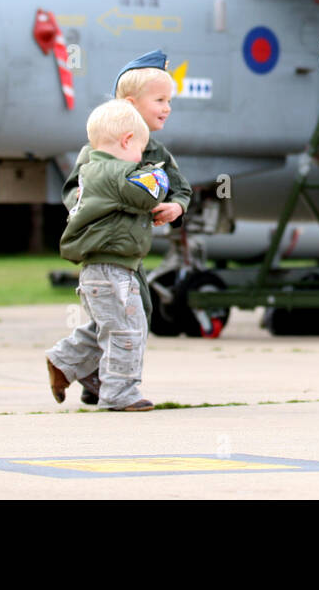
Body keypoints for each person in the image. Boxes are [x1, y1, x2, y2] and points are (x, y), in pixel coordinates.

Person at [61, 49, 192, 405]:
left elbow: (180, 187)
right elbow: (74, 190)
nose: (167, 108)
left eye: (169, 100)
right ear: (132, 104)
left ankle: (87, 373)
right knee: (123, 321)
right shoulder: (96, 150)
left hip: (131, 251)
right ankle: (102, 381)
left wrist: (175, 207)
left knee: (131, 316)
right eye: (160, 100)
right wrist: (96, 208)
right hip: (107, 249)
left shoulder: (156, 150)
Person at [46, 99, 169, 411]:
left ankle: (65, 359)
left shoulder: (93, 172)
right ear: (127, 141)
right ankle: (119, 393)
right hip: (112, 271)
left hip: (105, 270)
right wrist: (160, 175)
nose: (141, 158)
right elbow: (148, 190)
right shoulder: (114, 172)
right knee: (127, 332)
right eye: (140, 151)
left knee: (111, 326)